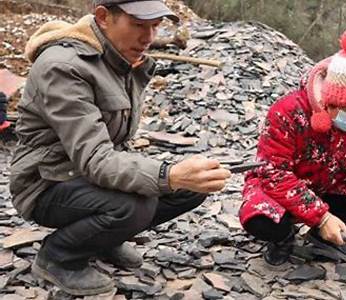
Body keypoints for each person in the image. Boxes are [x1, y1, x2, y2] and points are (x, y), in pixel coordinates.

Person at [9, 0, 231, 296]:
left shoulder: (117, 57)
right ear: (103, 17)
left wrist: (178, 177)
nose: (149, 38)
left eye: (155, 26)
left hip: (83, 174)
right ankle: (58, 256)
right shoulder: (63, 66)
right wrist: (169, 175)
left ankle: (103, 238)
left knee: (192, 187)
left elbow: (116, 144)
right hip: (46, 184)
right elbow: (96, 160)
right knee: (139, 203)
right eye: (138, 25)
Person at [239, 31, 346, 277]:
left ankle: (319, 237)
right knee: (260, 220)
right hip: (278, 189)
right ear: (330, 103)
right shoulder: (287, 112)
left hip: (327, 186)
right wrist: (321, 217)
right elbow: (272, 173)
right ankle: (284, 238)